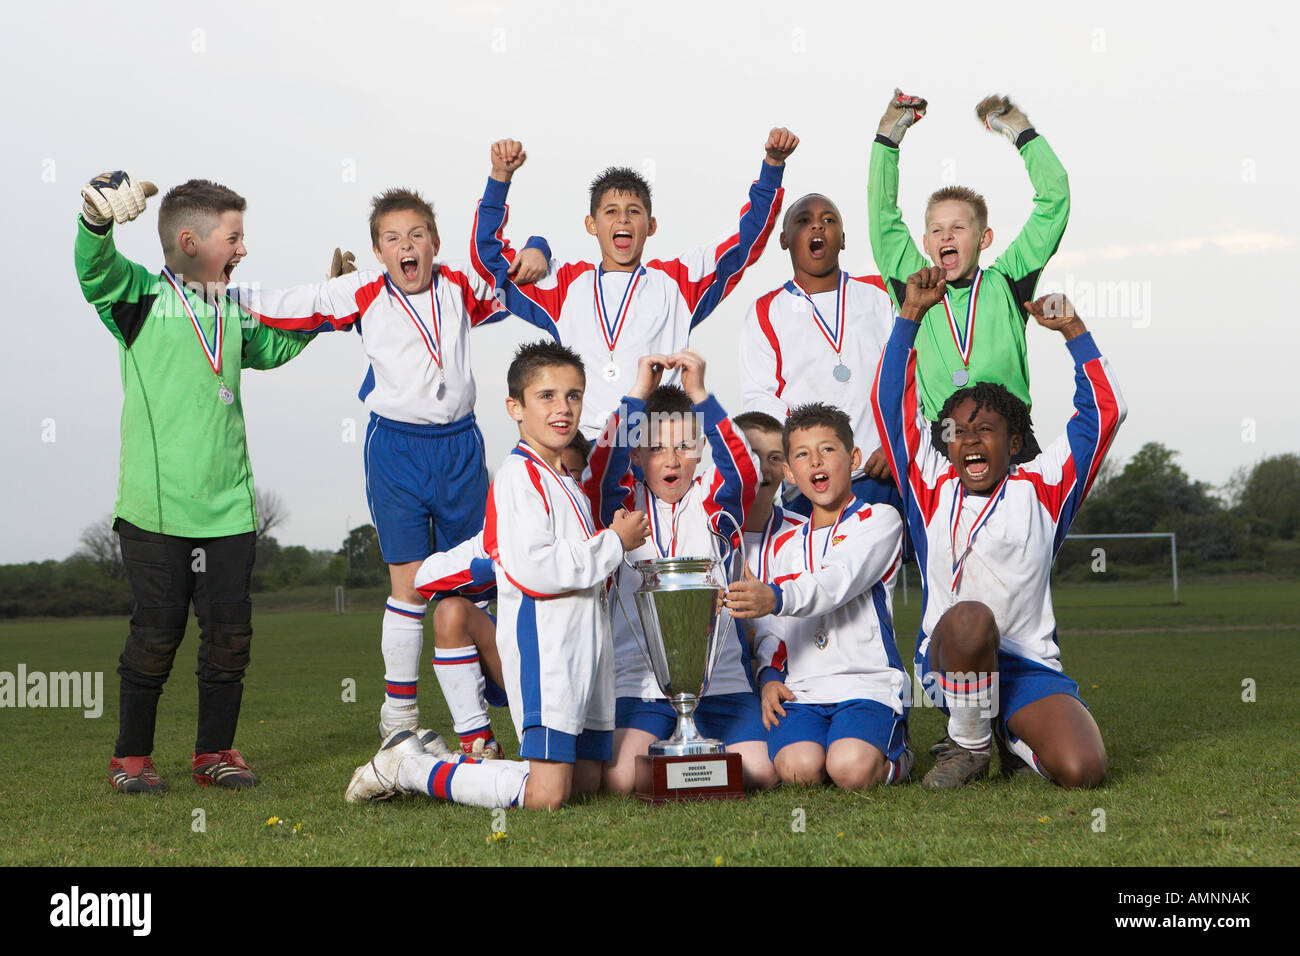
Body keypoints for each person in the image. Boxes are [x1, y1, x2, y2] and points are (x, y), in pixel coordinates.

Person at [227, 187, 548, 744]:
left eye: (417, 235)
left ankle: (475, 726)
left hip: (461, 448)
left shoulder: (459, 286)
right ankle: (398, 719)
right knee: (408, 587)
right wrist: (213, 288)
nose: (407, 246)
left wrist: (538, 250)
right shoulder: (361, 290)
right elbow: (289, 301)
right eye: (393, 238)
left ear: (435, 243)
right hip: (396, 450)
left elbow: (515, 279)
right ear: (378, 251)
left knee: (469, 587)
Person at [75, 171, 314, 793]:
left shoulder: (230, 312)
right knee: (156, 637)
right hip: (155, 514)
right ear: (189, 241)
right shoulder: (140, 299)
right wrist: (96, 221)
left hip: (231, 512)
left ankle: (215, 753)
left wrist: (327, 305)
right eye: (234, 238)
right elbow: (95, 272)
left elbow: (278, 344)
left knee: (230, 640)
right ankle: (131, 760)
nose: (242, 250)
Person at [347, 341, 650, 808]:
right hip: (547, 653)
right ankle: (408, 766)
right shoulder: (517, 477)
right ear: (515, 407)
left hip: (586, 652)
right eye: (546, 396)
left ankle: (454, 761)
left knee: (588, 784)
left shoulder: (565, 480)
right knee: (547, 796)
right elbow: (537, 570)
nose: (562, 408)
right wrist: (614, 542)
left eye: (573, 395)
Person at [871, 269, 1126, 789]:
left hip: (1027, 665)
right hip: (951, 658)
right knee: (970, 619)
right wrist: (909, 317)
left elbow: (1105, 412)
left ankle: (1007, 733)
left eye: (985, 430)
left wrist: (1074, 331)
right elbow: (889, 406)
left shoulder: (1042, 489)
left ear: (1014, 444)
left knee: (1083, 771)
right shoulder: (929, 488)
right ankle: (967, 743)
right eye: (959, 433)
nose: (970, 441)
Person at [471, 132, 796, 437]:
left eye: (634, 211)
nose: (623, 219)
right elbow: (489, 260)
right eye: (610, 211)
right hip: (585, 451)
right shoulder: (565, 286)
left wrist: (772, 168)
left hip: (657, 450)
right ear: (592, 224)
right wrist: (501, 180)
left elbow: (746, 241)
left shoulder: (679, 283)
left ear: (651, 225)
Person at [587, 353, 776, 793]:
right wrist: (636, 395)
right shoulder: (620, 503)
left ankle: (691, 759)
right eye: (655, 448)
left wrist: (699, 395)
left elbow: (745, 470)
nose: (671, 460)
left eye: (684, 446)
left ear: (700, 451)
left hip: (721, 681)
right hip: (641, 684)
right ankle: (690, 765)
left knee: (762, 772)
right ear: (636, 452)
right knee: (618, 779)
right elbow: (599, 469)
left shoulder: (712, 501)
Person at [725, 404, 910, 790]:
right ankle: (830, 747)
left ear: (853, 458)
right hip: (804, 689)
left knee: (851, 770)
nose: (816, 462)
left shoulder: (879, 520)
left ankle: (896, 758)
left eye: (827, 449)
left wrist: (773, 596)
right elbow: (774, 630)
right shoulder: (783, 545)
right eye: (802, 455)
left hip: (866, 685)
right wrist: (770, 677)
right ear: (790, 473)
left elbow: (835, 582)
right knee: (796, 770)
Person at [868, 90, 1070, 431]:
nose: (946, 236)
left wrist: (1022, 133)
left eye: (958, 228)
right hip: (940, 446)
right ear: (926, 244)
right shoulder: (915, 286)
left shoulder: (1007, 280)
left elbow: (1055, 200)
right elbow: (882, 217)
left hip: (1010, 441)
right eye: (937, 230)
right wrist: (888, 139)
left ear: (984, 239)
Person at [738, 193, 899, 518]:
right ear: (784, 240)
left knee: (888, 566)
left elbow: (910, 373)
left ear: (843, 239)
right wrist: (801, 457)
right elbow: (760, 398)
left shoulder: (879, 294)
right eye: (803, 220)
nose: (817, 225)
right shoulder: (767, 311)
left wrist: (897, 441)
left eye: (829, 220)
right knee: (814, 567)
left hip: (880, 469)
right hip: (810, 484)